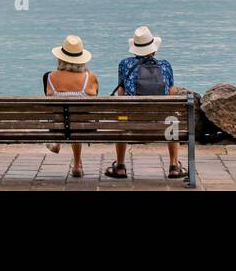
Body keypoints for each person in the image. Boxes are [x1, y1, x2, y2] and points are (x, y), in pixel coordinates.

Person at [104, 25, 186, 180]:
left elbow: (121, 93)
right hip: (161, 122)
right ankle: (174, 166)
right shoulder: (165, 66)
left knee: (121, 116)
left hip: (130, 122)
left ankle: (120, 166)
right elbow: (172, 93)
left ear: (135, 49)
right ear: (154, 49)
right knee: (172, 119)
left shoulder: (125, 64)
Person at [42, 34, 99, 177]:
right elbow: (95, 98)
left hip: (59, 125)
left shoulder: (49, 77)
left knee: (64, 115)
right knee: (77, 117)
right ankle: (77, 165)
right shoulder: (90, 77)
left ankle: (56, 141)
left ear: (61, 58)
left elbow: (48, 101)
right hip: (83, 127)